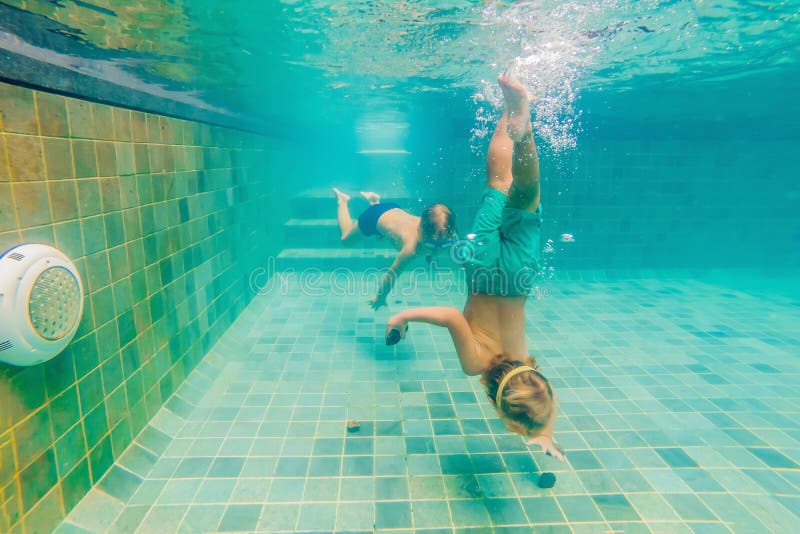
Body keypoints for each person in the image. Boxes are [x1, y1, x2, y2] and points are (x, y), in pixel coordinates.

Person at [384, 70, 563, 459]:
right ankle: (510, 113)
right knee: (499, 179)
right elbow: (450, 315)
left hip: (518, 277)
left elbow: (539, 401)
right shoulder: (475, 363)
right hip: (482, 272)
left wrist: (545, 431)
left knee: (525, 195)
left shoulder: (527, 369)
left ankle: (524, 129)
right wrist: (402, 316)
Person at [333, 189, 457, 309]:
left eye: (444, 245)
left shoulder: (447, 234)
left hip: (393, 209)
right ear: (420, 232)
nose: (436, 251)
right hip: (373, 217)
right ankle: (343, 200)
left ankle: (374, 201)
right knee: (346, 239)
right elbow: (391, 275)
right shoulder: (410, 249)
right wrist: (380, 298)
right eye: (430, 246)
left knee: (387, 231)